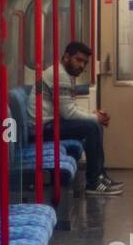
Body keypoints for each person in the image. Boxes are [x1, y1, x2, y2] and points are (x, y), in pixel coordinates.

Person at [29, 40, 122, 196]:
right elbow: (69, 113)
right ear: (66, 57)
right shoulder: (60, 75)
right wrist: (95, 118)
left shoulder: (65, 74)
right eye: (78, 60)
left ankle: (100, 176)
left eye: (84, 62)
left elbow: (70, 106)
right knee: (92, 127)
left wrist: (94, 114)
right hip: (40, 128)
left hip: (51, 123)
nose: (82, 66)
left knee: (94, 125)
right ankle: (93, 183)